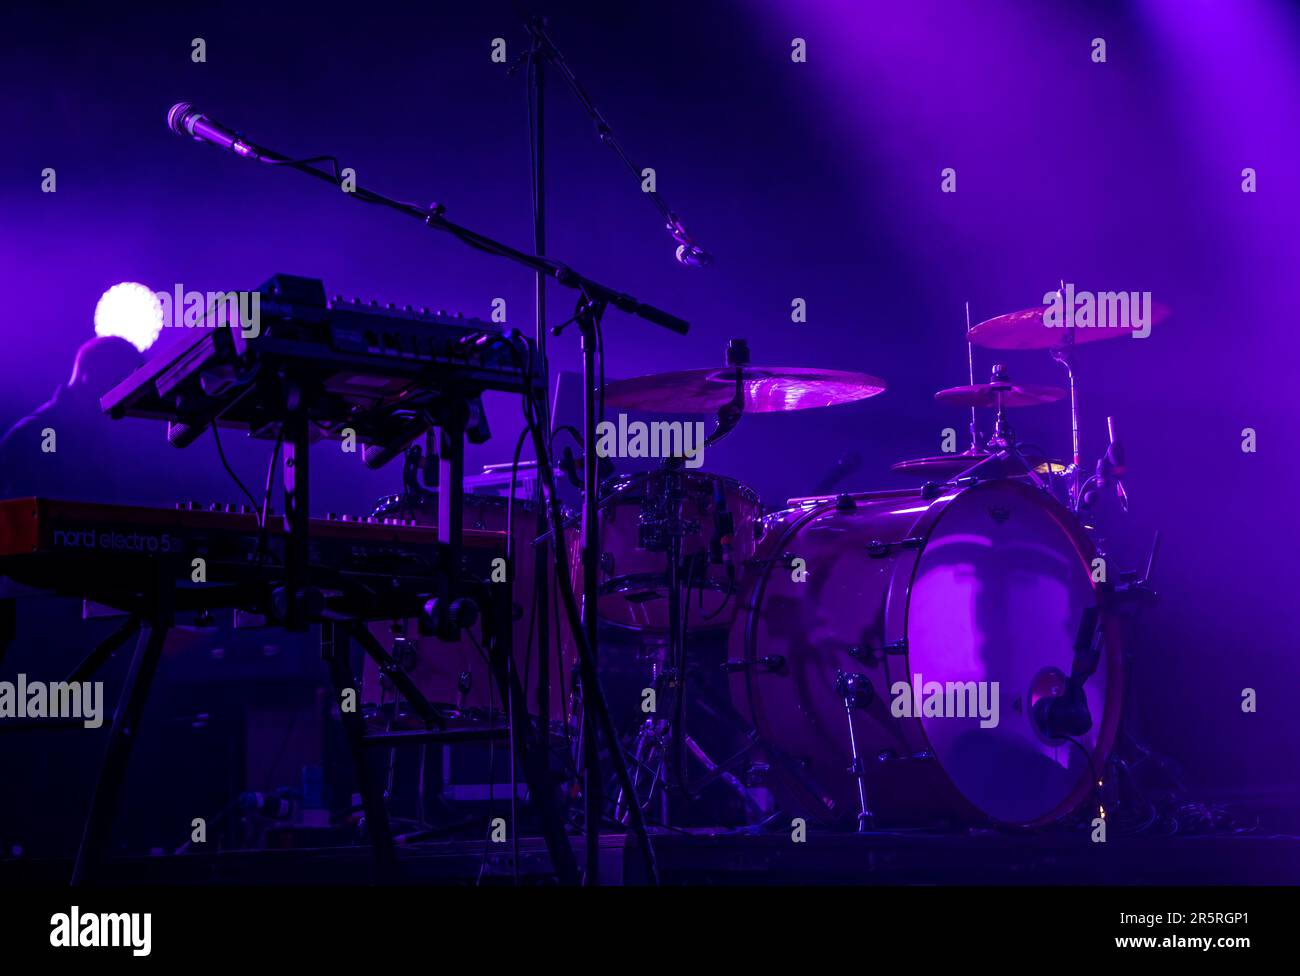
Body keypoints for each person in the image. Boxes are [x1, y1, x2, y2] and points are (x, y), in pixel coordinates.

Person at [0, 336, 144, 500]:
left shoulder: (85, 435)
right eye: (119, 381)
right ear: (91, 374)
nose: (125, 396)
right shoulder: (42, 432)